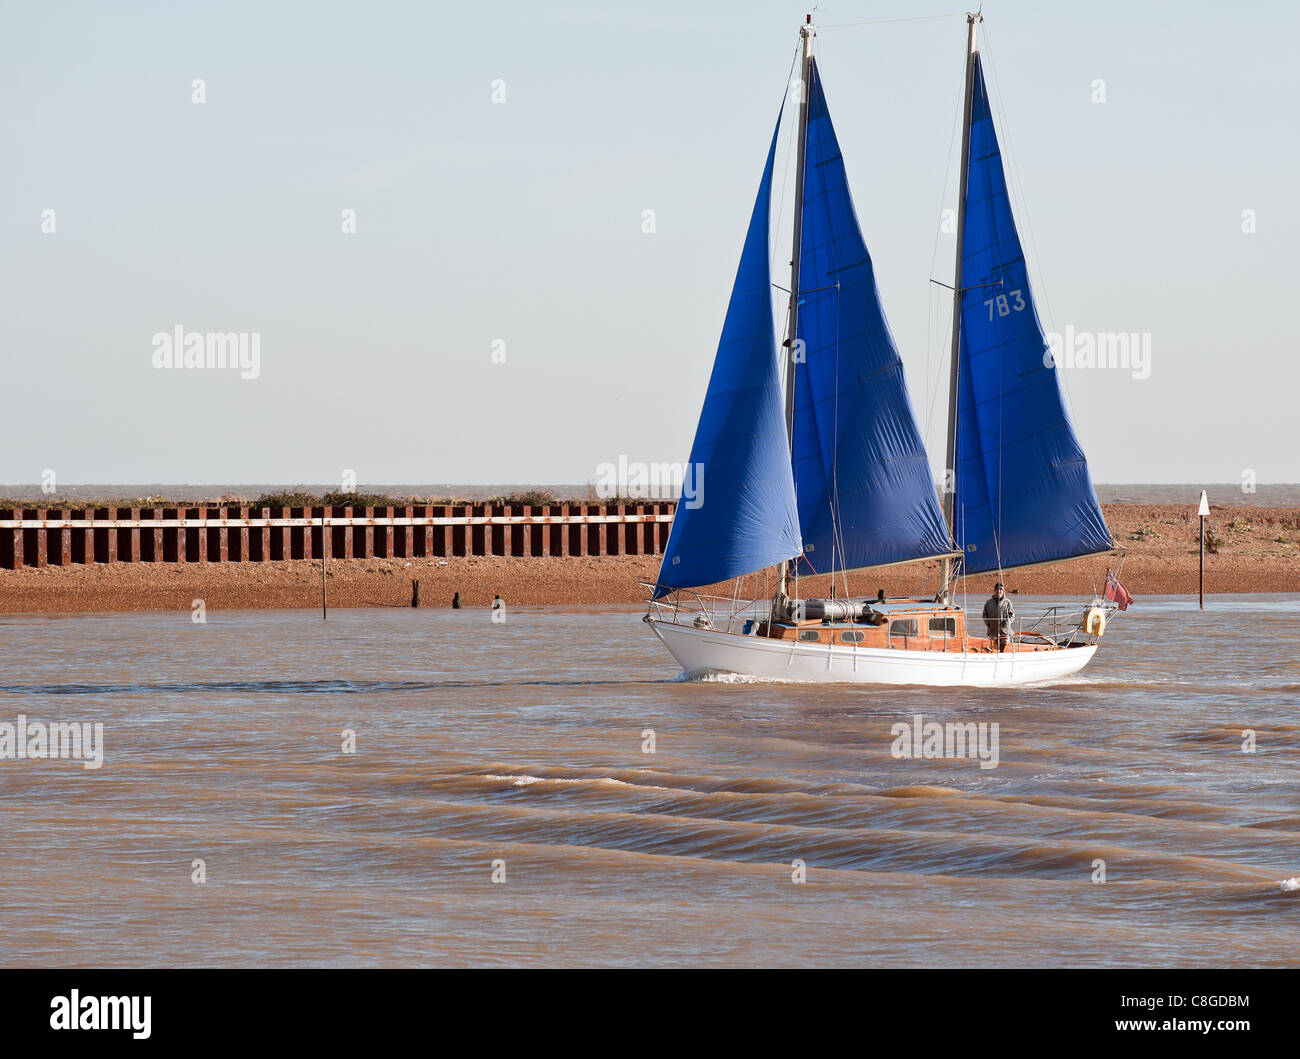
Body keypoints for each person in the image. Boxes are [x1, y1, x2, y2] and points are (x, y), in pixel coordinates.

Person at [982, 582, 1014, 651]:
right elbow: (984, 615)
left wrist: (1007, 622)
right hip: (992, 631)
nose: (998, 591)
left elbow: (1012, 615)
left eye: (1000, 589)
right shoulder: (988, 603)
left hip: (1005, 631)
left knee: (1005, 648)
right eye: (997, 589)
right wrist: (988, 623)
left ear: (1003, 591)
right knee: (993, 649)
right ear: (994, 591)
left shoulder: (1008, 602)